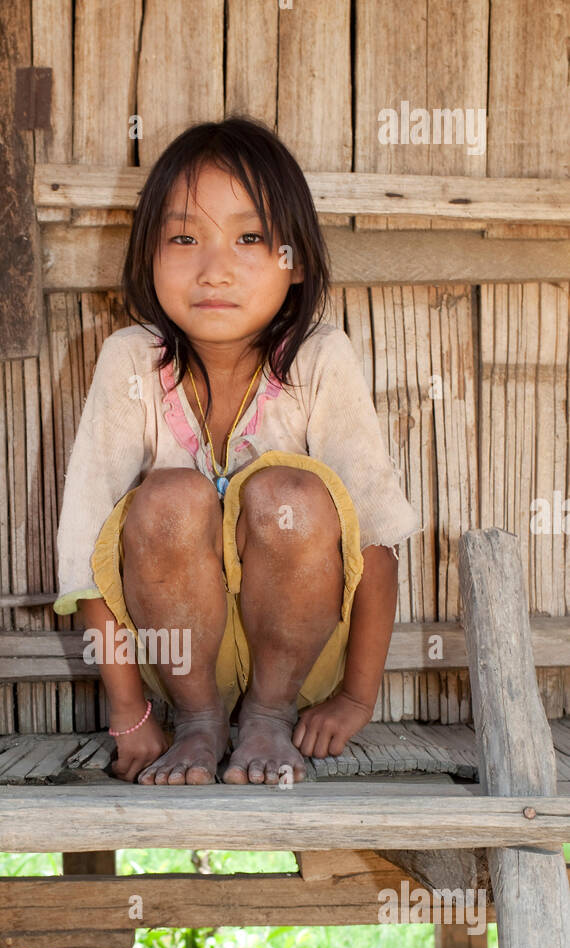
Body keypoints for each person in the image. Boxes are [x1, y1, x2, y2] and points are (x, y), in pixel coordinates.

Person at [54, 117, 422, 786]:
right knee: (167, 497)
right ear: (148, 254)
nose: (214, 267)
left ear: (296, 259)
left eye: (250, 238)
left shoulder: (319, 360)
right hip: (180, 657)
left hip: (301, 654)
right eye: (185, 237)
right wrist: (132, 713)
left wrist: (356, 697)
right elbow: (85, 551)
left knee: (289, 494)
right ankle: (199, 722)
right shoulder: (129, 361)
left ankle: (268, 716)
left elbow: (375, 539)